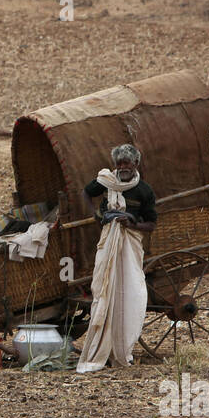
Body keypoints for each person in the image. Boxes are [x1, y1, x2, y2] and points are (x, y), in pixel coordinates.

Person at [76, 144, 156, 373]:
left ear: (135, 165)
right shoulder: (106, 181)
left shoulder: (144, 190)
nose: (122, 168)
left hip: (130, 244)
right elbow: (86, 192)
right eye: (119, 163)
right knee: (105, 290)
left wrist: (132, 223)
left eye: (126, 163)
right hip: (109, 241)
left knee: (131, 294)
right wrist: (97, 215)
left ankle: (122, 348)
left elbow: (151, 223)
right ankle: (101, 348)